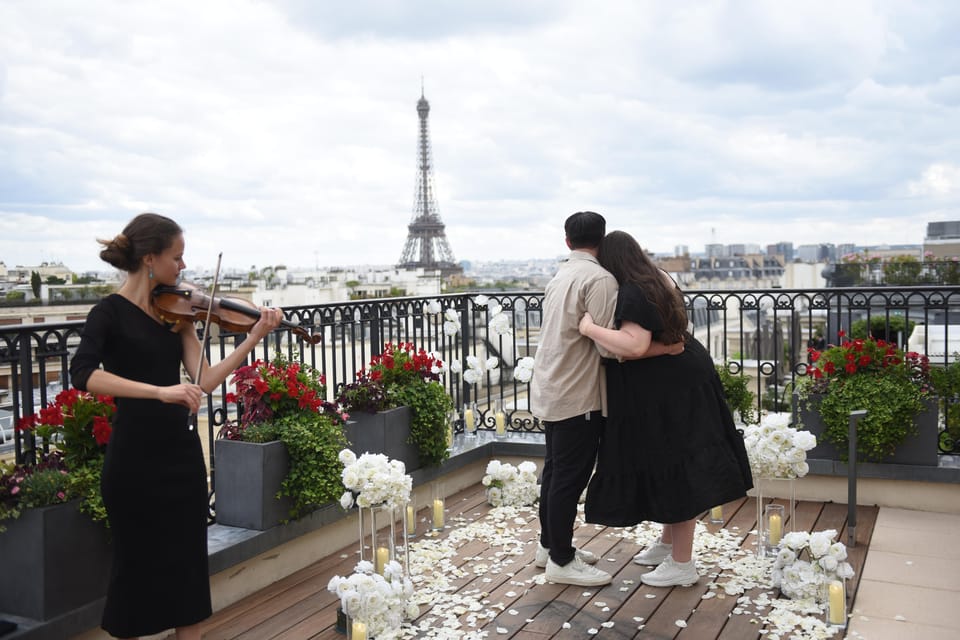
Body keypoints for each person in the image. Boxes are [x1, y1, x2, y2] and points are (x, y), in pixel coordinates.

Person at [69, 213, 282, 639]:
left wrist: (254, 337)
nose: (183, 268)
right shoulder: (108, 313)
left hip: (180, 461)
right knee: (134, 573)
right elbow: (83, 374)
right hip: (133, 462)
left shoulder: (177, 315)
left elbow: (203, 379)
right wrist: (161, 391)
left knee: (187, 577)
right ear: (150, 259)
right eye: (177, 258)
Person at [578, 230, 753, 588]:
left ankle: (682, 563)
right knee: (675, 460)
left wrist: (590, 327)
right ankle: (668, 544)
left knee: (677, 466)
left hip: (670, 389)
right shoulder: (660, 278)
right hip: (688, 377)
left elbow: (635, 344)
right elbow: (672, 339)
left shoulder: (631, 291)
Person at [530, 212, 681, 587]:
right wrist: (659, 348)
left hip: (550, 384)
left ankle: (550, 546)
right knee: (569, 476)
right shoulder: (599, 279)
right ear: (602, 240)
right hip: (578, 391)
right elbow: (608, 348)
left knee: (554, 472)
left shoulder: (560, 275)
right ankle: (562, 561)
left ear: (568, 242)